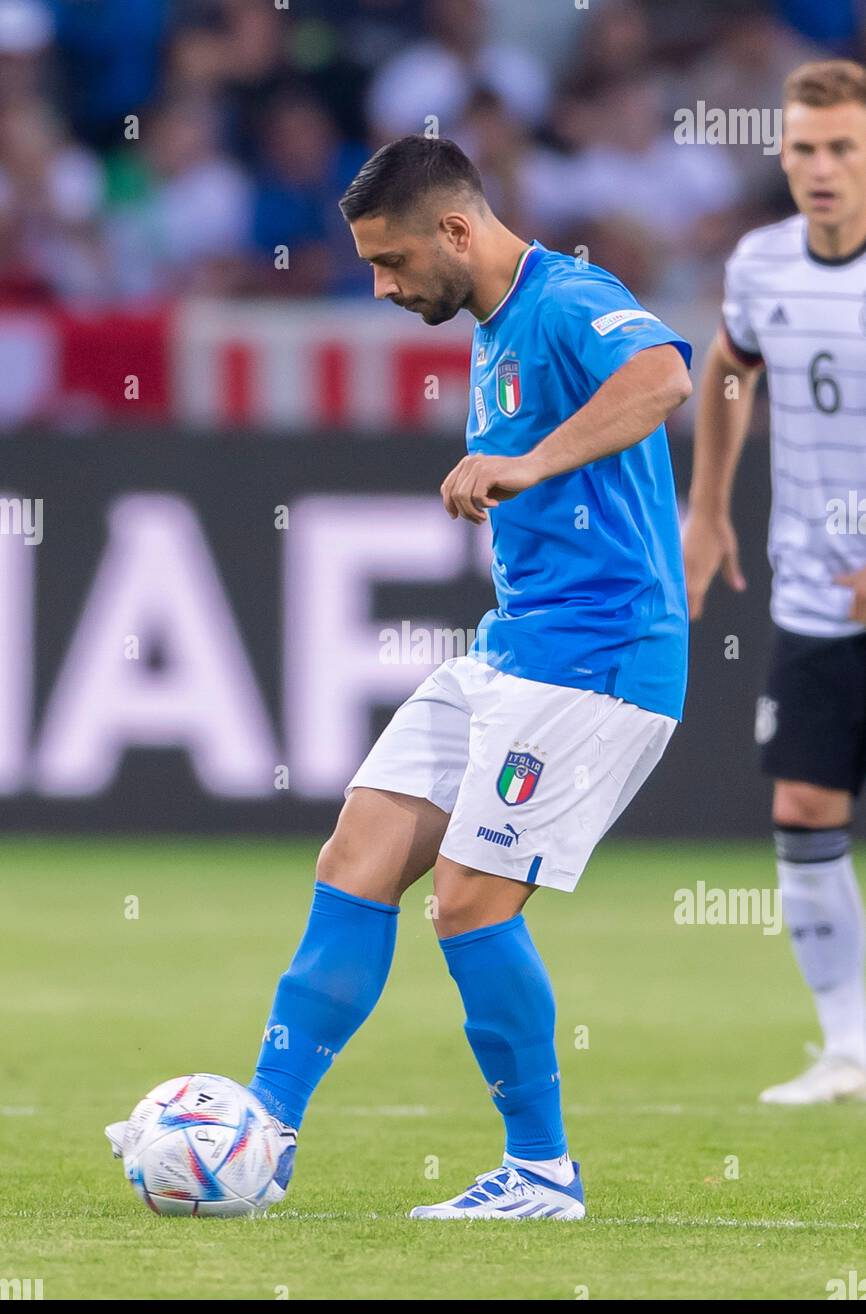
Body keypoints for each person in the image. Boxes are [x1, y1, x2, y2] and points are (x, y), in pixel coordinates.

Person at [109, 134, 692, 1219]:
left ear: (456, 230)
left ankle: (540, 1173)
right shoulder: (489, 325)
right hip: (512, 646)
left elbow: (663, 374)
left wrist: (525, 460)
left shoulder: (566, 297)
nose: (379, 287)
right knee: (357, 850)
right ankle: (262, 1136)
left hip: (599, 657)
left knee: (467, 904)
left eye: (389, 262)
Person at [683, 60, 866, 1105]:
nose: (821, 168)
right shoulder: (759, 263)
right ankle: (845, 1044)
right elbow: (723, 369)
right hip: (809, 590)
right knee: (802, 802)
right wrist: (706, 508)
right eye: (802, 149)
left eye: (841, 147)